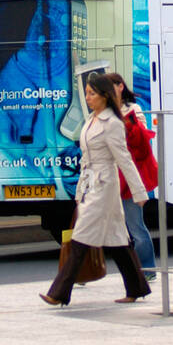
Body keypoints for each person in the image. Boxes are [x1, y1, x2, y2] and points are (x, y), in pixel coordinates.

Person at [41, 73, 151, 307]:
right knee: (119, 238)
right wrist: (80, 189)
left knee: (81, 235)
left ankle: (59, 292)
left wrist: (139, 192)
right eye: (87, 93)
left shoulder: (112, 123)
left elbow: (125, 160)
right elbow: (86, 159)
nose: (88, 97)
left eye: (92, 93)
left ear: (104, 95)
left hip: (105, 184)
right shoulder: (92, 119)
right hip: (92, 182)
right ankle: (137, 287)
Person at [106, 71, 158, 281]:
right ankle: (82, 269)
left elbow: (141, 141)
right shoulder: (104, 112)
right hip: (110, 176)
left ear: (120, 87)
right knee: (95, 226)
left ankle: (147, 269)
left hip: (128, 176)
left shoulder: (133, 110)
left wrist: (127, 123)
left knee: (135, 226)